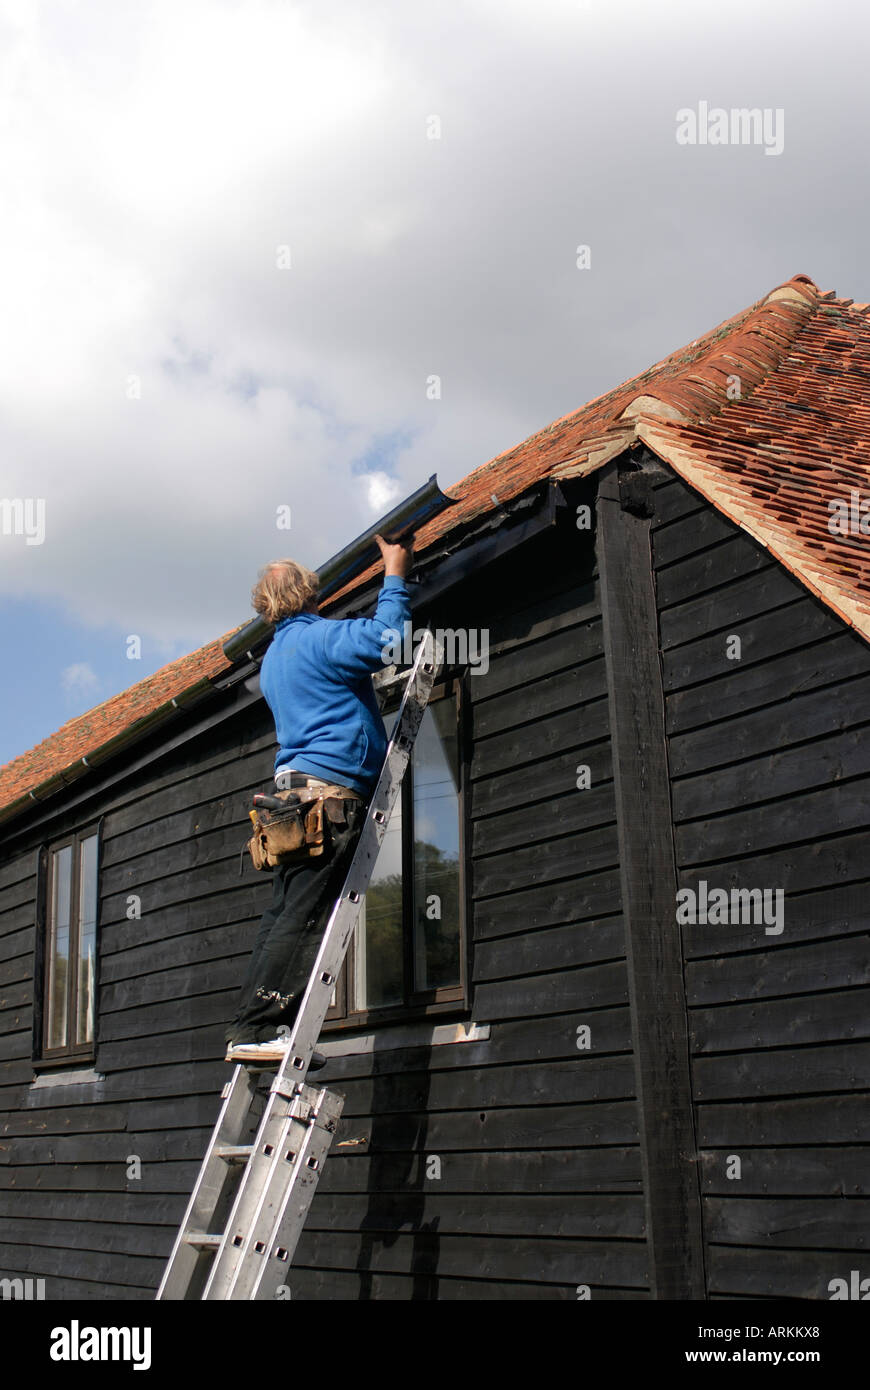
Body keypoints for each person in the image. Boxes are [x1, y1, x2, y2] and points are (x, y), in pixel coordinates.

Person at [224, 533, 413, 1062]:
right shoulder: (319, 639)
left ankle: (251, 1023)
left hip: (291, 800)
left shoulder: (275, 657)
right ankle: (261, 1028)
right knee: (304, 916)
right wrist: (394, 572)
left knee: (285, 911)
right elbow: (388, 641)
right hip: (328, 797)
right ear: (310, 593)